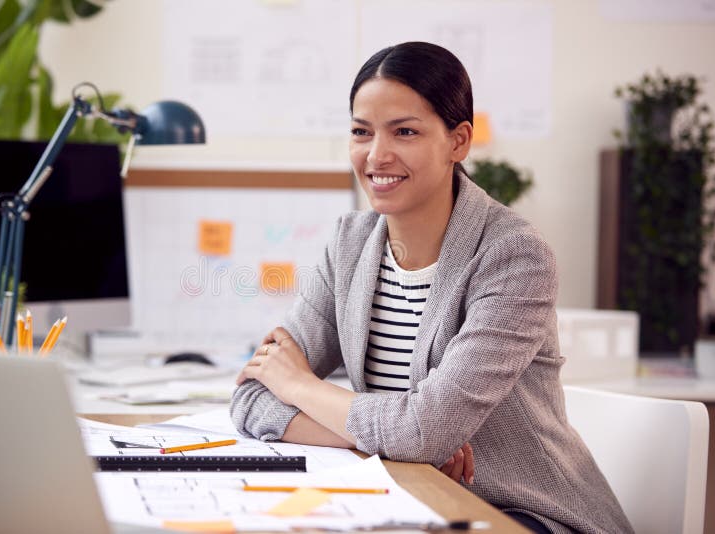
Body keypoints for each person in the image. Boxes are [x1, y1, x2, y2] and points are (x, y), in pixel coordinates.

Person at [230, 41, 633, 534]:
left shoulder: (514, 256)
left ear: (458, 142)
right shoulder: (349, 245)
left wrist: (298, 385)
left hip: (526, 513)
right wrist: (382, 443)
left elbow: (422, 430)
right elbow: (251, 395)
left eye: (405, 131)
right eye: (361, 131)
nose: (376, 155)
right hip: (412, 496)